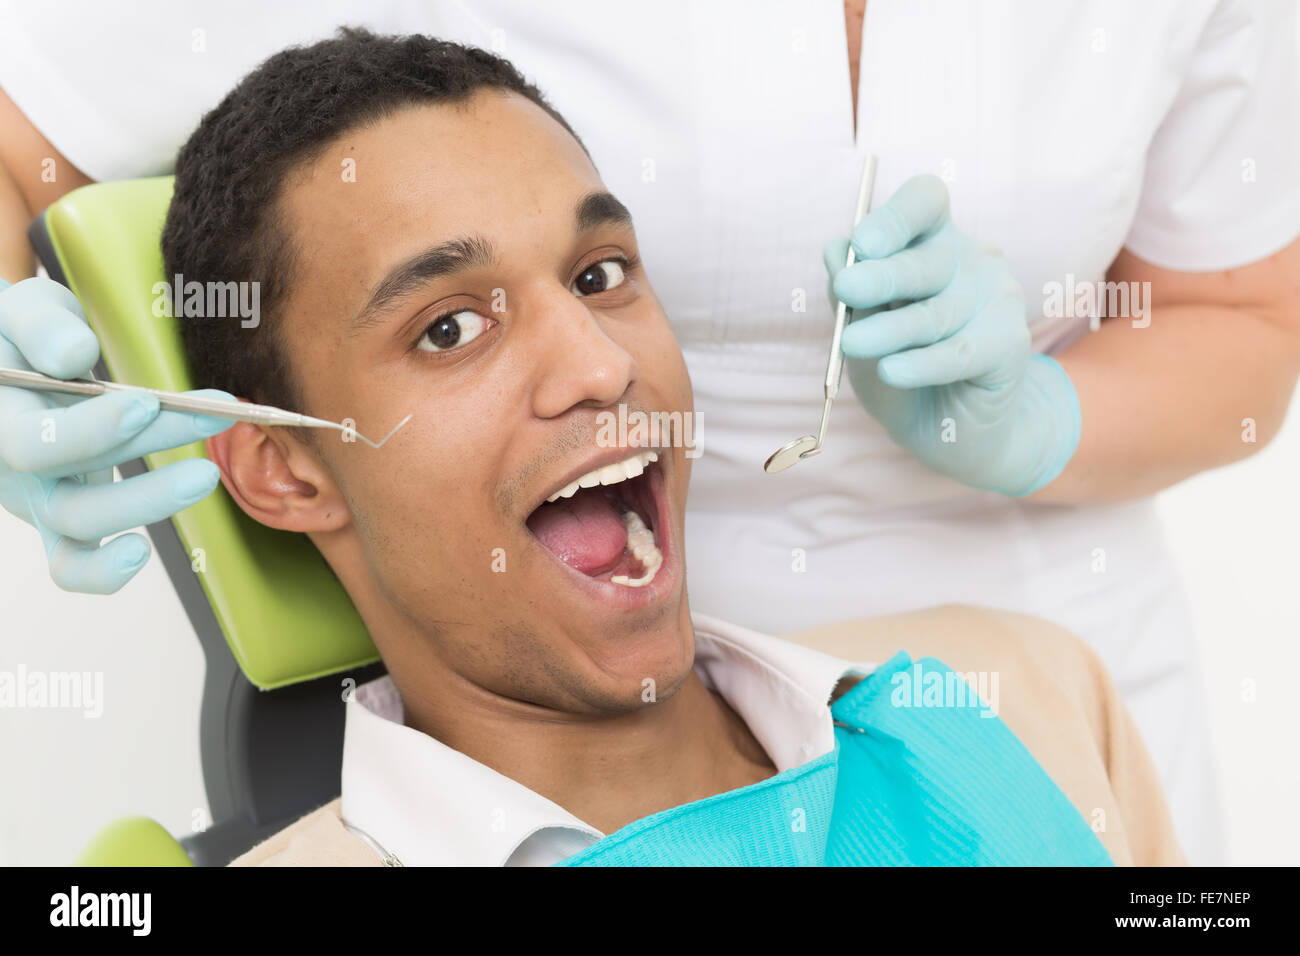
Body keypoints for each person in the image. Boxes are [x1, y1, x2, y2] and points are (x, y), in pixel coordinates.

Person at [3, 1, 1296, 863]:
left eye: (606, 275)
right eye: (452, 327)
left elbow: (1247, 308)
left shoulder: (1032, 699)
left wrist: (1042, 423)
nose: (601, 364)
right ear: (281, 466)